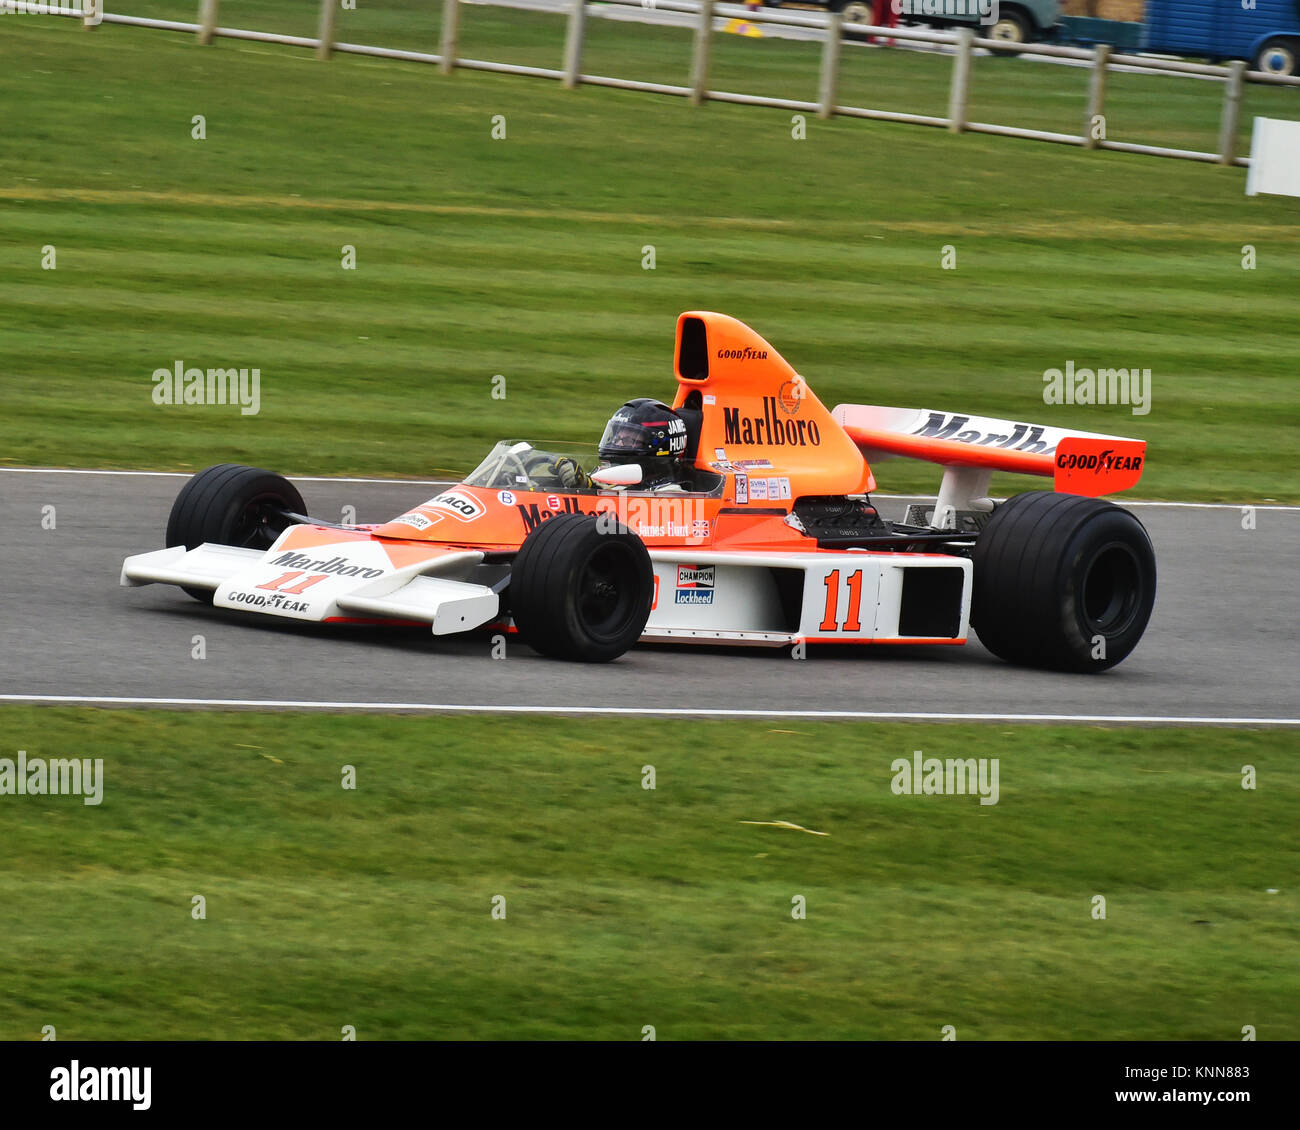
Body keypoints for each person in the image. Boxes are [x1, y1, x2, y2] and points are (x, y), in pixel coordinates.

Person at [597, 398, 690, 491]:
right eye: (616, 439)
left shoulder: (669, 495)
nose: (618, 444)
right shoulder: (614, 479)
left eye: (628, 440)